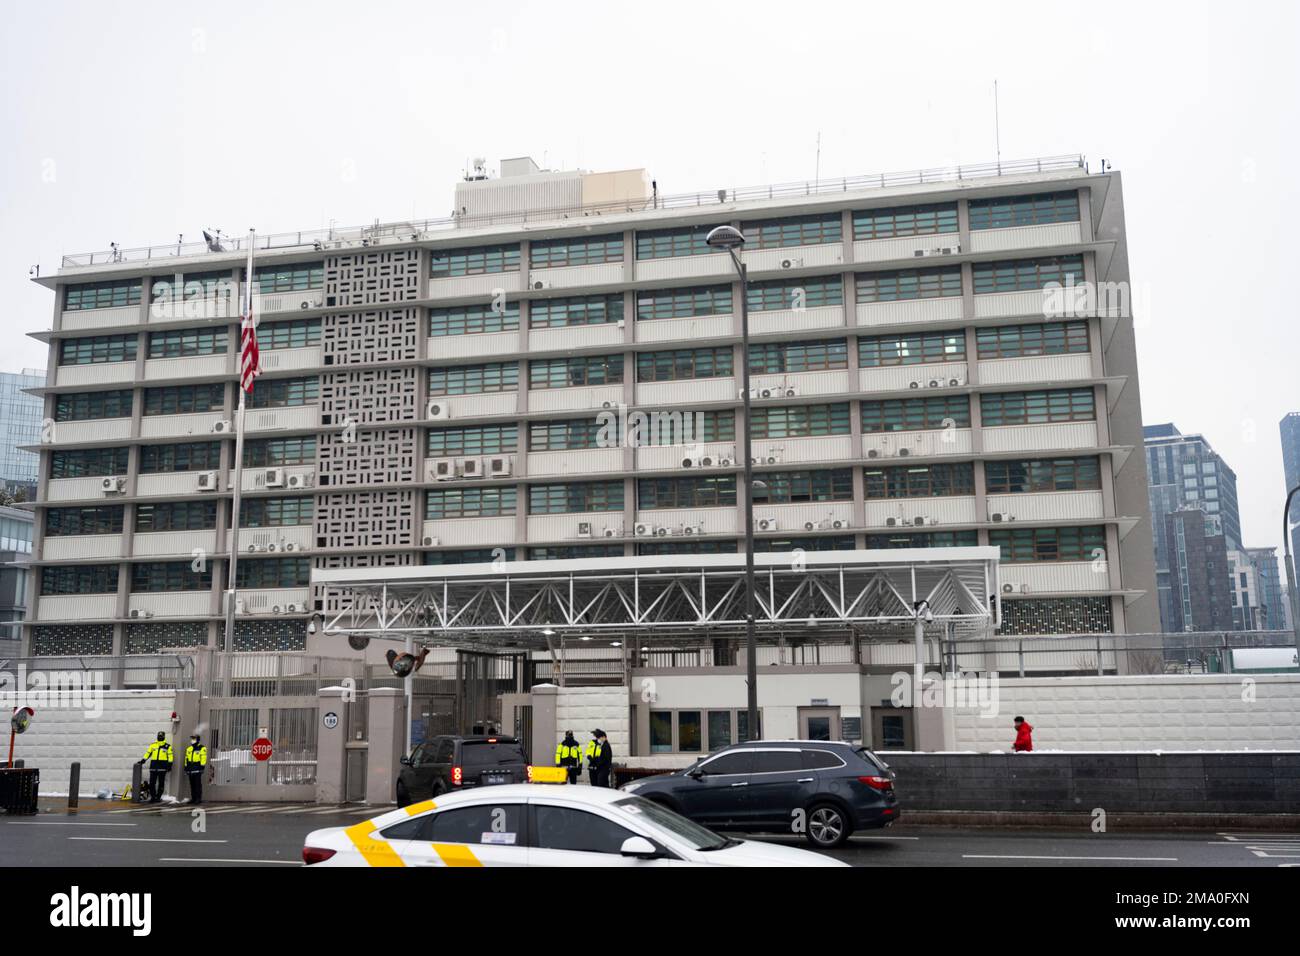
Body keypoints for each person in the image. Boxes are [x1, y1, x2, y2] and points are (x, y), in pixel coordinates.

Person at [141, 732, 173, 803]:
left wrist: (170, 765)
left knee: (161, 783)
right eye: (159, 736)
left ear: (164, 737)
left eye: (161, 736)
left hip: (162, 767)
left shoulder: (167, 746)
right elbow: (148, 753)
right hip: (153, 767)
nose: (160, 737)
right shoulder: (153, 745)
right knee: (152, 783)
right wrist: (143, 760)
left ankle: (158, 797)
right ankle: (153, 797)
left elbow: (170, 756)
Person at [184, 734, 207, 805]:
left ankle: (198, 799)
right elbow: (186, 759)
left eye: (193, 739)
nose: (192, 740)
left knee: (197, 785)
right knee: (192, 785)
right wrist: (186, 767)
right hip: (190, 768)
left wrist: (202, 767)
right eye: (192, 739)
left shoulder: (202, 748)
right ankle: (193, 798)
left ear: (197, 740)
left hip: (197, 769)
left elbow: (203, 758)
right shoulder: (189, 749)